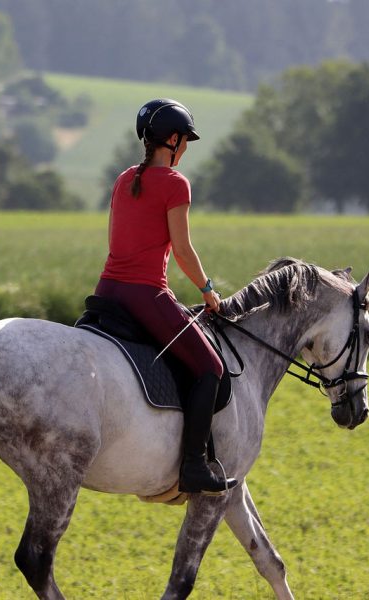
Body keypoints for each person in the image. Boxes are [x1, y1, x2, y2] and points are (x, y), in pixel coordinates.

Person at [94, 98, 238, 495]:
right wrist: (208, 291)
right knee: (211, 367)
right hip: (145, 296)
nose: (186, 150)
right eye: (186, 142)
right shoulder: (176, 184)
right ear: (172, 141)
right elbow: (183, 250)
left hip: (107, 293)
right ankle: (193, 465)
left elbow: (117, 243)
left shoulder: (124, 179)